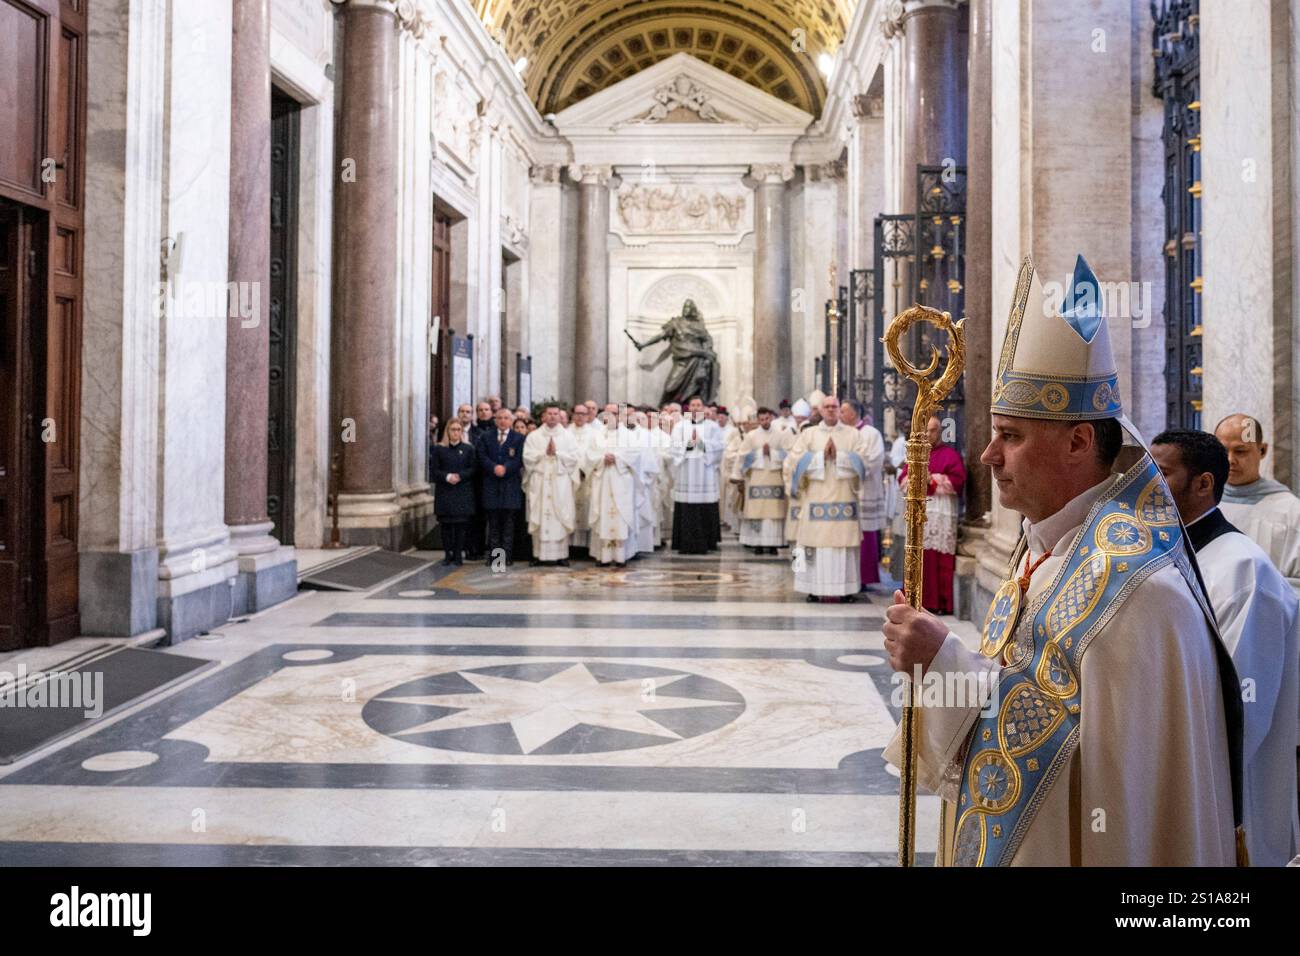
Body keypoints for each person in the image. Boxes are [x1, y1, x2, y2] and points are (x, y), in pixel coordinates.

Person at [883, 253, 1240, 865]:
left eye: (1011, 435)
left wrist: (942, 662)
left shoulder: (1139, 591)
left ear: (1079, 441)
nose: (989, 455)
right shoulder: (1044, 551)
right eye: (994, 433)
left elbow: (1110, 797)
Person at [1152, 428, 1299, 866]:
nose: (1147, 487)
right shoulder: (1168, 553)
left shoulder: (1242, 570)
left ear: (1203, 484)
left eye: (1161, 474)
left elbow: (1241, 709)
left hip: (1225, 794)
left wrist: (1170, 778)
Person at [786, 395, 870, 602]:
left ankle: (846, 590)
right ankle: (813, 589)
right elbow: (793, 463)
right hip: (815, 497)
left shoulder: (853, 435)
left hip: (844, 497)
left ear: (840, 410)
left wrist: (840, 457)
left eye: (835, 406)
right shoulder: (809, 435)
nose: (831, 410)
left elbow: (864, 462)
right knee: (814, 545)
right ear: (820, 411)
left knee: (844, 547)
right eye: (827, 407)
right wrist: (819, 457)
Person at [1215, 413, 1300, 581]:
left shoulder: (1291, 511)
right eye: (1223, 451)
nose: (1230, 460)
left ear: (1262, 450)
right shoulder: (1200, 504)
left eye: (1240, 451)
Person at [898, 414, 966, 614]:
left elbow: (958, 481)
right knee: (919, 556)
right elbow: (903, 480)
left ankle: (940, 603)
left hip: (941, 511)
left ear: (940, 432)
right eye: (925, 430)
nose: (928, 434)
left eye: (932, 430)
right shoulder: (916, 454)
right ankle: (916, 599)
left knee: (939, 558)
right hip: (920, 510)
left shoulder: (950, 455)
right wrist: (918, 478)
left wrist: (932, 480)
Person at [523, 405, 580, 567]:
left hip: (560, 482)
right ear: (544, 417)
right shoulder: (534, 436)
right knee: (540, 514)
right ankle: (537, 555)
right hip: (540, 482)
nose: (553, 416)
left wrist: (558, 454)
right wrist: (543, 454)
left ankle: (561, 555)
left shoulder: (568, 436)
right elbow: (526, 457)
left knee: (559, 515)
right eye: (550, 414)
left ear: (560, 416)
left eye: (556, 414)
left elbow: (575, 458)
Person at [585, 407, 642, 567]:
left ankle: (620, 556)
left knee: (621, 516)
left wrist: (616, 458)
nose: (611, 417)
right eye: (608, 414)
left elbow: (636, 455)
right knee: (602, 515)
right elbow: (589, 456)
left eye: (615, 413)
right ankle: (603, 556)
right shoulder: (596, 435)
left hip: (621, 482)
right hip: (602, 480)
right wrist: (602, 459)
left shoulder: (629, 436)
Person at [669, 396, 725, 554]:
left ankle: (707, 541)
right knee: (687, 505)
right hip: (686, 470)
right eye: (692, 405)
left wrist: (701, 443)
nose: (695, 407)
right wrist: (688, 444)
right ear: (688, 408)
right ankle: (685, 542)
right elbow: (674, 446)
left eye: (698, 405)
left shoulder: (712, 426)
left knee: (704, 505)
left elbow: (720, 446)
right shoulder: (680, 426)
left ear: (703, 407)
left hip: (705, 472)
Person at [841, 399, 886, 588]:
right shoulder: (842, 434)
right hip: (844, 492)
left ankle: (864, 578)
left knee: (866, 536)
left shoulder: (871, 434)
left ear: (853, 413)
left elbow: (875, 460)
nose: (840, 415)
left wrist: (852, 467)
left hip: (866, 490)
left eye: (843, 411)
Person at [733, 407, 791, 554]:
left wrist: (772, 453)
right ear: (758, 420)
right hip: (757, 478)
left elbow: (789, 455)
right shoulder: (751, 436)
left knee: (774, 513)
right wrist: (759, 453)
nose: (764, 422)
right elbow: (742, 456)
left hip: (774, 478)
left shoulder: (781, 435)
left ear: (771, 418)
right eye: (761, 419)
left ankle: (773, 545)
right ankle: (757, 544)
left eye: (767, 418)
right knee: (757, 513)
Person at [475, 406, 525, 565]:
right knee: (494, 525)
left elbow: (519, 459)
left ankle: (507, 557)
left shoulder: (519, 438)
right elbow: (481, 456)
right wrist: (493, 467)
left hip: (510, 485)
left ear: (511, 421)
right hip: (491, 484)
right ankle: (496, 558)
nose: (503, 421)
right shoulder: (486, 437)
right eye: (500, 418)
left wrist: (506, 468)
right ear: (495, 420)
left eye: (506, 418)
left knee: (508, 525)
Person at [430, 420, 477, 566]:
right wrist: (447, 476)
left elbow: (473, 468)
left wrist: (460, 476)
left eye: (458, 429)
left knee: (460, 526)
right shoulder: (439, 449)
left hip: (462, 491)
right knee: (446, 526)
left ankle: (458, 554)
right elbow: (434, 470)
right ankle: (447, 554)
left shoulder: (468, 449)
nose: (456, 432)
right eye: (453, 429)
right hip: (445, 491)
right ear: (447, 431)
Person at [567, 403, 602, 555]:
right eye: (577, 413)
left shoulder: (595, 434)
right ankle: (571, 546)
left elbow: (596, 454)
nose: (580, 417)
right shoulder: (565, 433)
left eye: (583, 414)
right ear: (573, 415)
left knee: (587, 509)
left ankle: (586, 546)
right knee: (570, 509)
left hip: (587, 477)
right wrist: (574, 470)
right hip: (569, 478)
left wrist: (584, 469)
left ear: (588, 416)